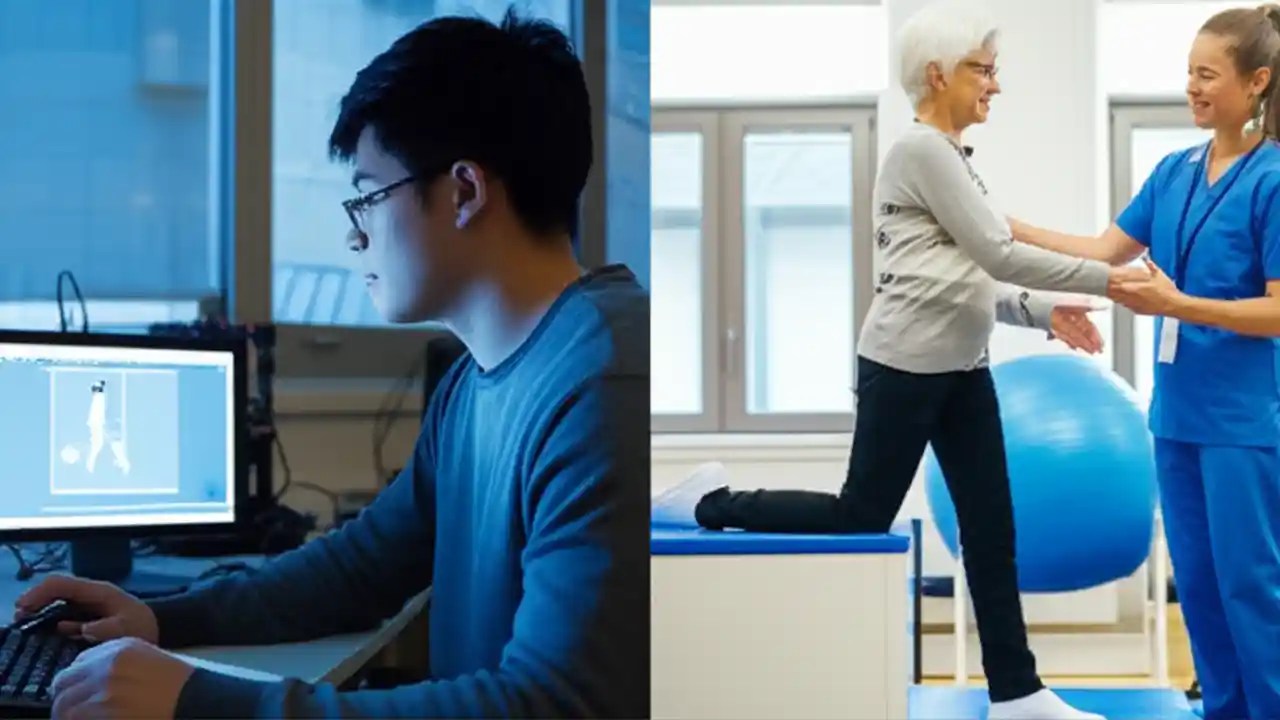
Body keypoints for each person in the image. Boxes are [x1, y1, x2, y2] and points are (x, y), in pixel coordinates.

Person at [15, 9, 650, 719]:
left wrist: (201, 702)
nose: (354, 237)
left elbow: (558, 704)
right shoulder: (476, 384)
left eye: (370, 197)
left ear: (465, 191)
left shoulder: (603, 380)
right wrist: (164, 620)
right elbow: (361, 570)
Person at [688, 3, 1145, 719]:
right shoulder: (921, 151)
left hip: (962, 369)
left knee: (992, 530)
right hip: (903, 367)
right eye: (983, 70)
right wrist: (1108, 279)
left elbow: (960, 281)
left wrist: (1039, 312)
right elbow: (996, 253)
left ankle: (1017, 693)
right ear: (938, 74)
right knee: (860, 513)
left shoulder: (953, 160)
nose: (995, 86)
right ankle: (708, 507)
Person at [1009, 6, 1280, 718]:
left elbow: (1279, 312)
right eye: (1187, 72)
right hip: (1178, 418)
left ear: (1257, 83)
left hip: (1245, 422)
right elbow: (1101, 254)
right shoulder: (1175, 170)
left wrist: (1178, 304)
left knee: (1250, 587)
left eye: (1206, 75)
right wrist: (995, 226)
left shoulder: (1274, 179)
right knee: (1197, 582)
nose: (1191, 88)